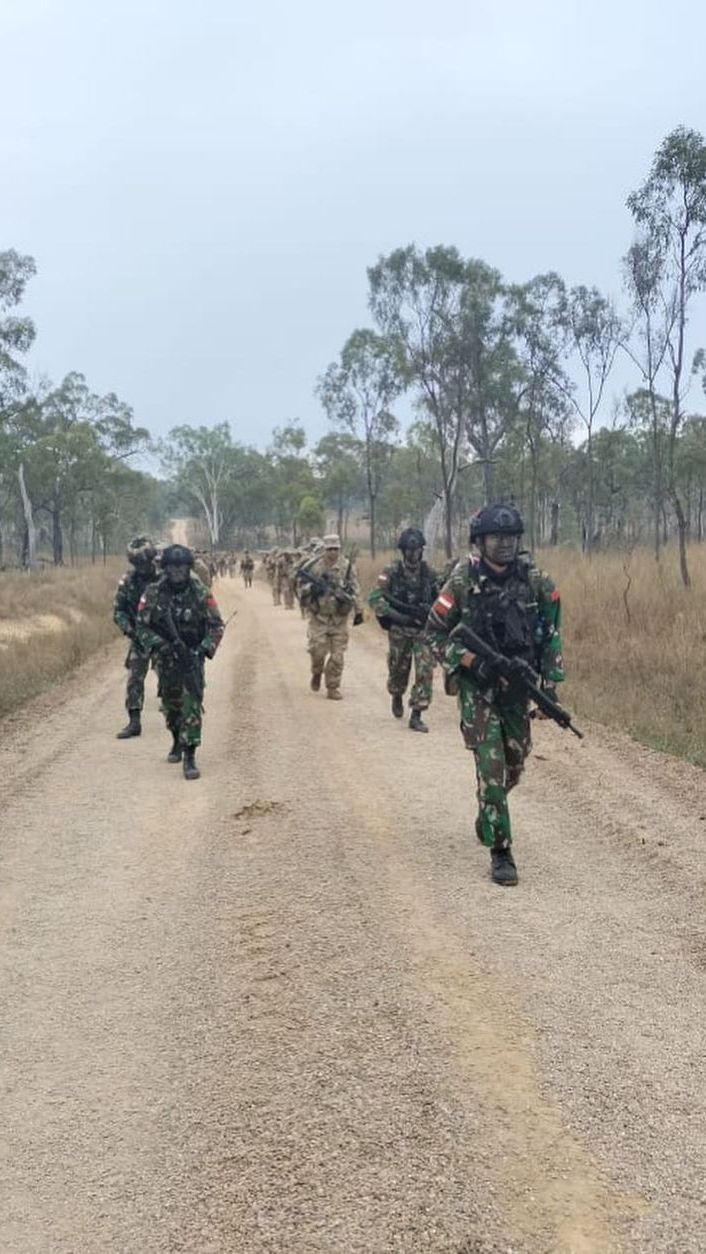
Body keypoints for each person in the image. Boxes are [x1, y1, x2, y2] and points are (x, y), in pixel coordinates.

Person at [427, 503, 564, 887]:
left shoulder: (536, 579)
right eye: (495, 537)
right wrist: (470, 660)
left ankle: (489, 811)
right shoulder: (461, 580)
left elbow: (551, 632)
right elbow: (434, 633)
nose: (504, 544)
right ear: (480, 541)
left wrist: (549, 684)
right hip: (478, 689)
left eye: (510, 537)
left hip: (516, 688)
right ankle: (501, 851)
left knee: (514, 764)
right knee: (490, 767)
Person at [136, 544, 224, 780]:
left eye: (182, 567)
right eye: (172, 567)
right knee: (171, 706)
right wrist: (159, 644)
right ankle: (176, 738)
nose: (177, 572)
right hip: (165, 659)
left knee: (191, 704)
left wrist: (203, 649)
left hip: (191, 657)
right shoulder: (153, 593)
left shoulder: (200, 592)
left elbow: (217, 626)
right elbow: (141, 626)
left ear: (188, 568)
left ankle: (190, 755)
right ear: (165, 568)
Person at [368, 526, 440, 732]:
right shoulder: (391, 572)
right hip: (399, 630)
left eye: (416, 550)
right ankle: (397, 694)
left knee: (425, 670)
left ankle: (417, 714)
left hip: (423, 631)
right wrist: (396, 615)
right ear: (403, 551)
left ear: (421, 551)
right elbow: (374, 598)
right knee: (398, 669)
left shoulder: (430, 574)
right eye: (409, 551)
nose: (412, 554)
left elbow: (443, 600)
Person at [296, 534, 363, 699]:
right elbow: (300, 587)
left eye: (336, 549)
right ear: (325, 550)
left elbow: (355, 589)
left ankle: (333, 687)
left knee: (337, 656)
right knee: (317, 652)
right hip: (319, 617)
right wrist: (311, 589)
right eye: (330, 549)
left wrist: (359, 610)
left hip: (339, 619)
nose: (333, 552)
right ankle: (317, 672)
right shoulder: (314, 567)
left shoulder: (346, 567)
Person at [113, 536, 159, 739]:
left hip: (162, 637)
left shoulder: (164, 579)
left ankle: (177, 722)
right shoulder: (128, 582)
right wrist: (129, 628)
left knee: (171, 679)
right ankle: (134, 722)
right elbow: (119, 611)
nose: (141, 567)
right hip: (139, 638)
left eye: (144, 563)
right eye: (137, 563)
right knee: (134, 678)